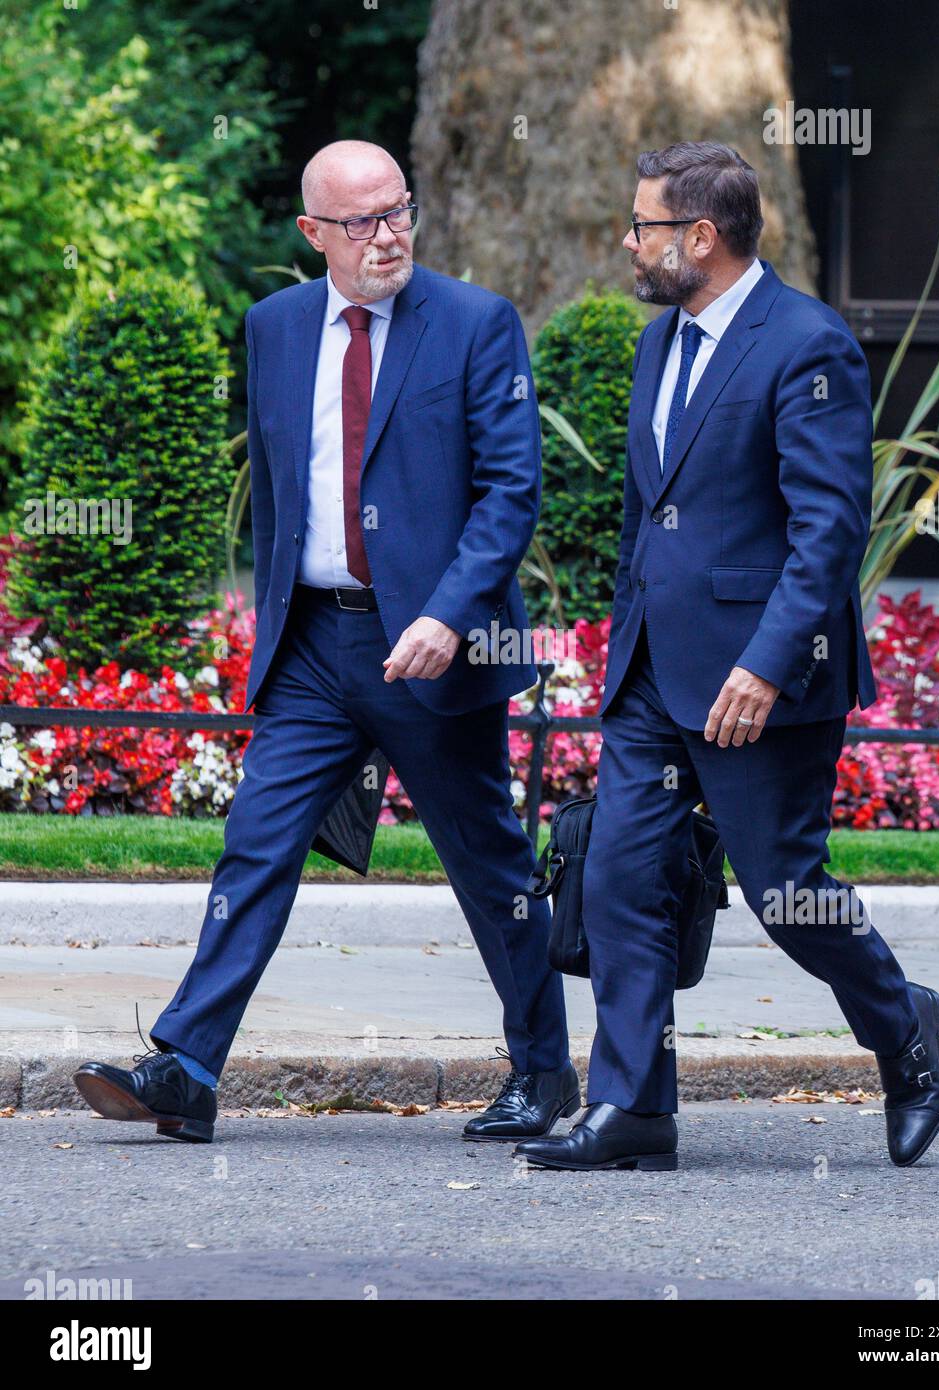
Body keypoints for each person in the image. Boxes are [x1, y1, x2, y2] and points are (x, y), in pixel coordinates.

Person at [74, 140, 578, 1145]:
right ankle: (186, 1064)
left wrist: (447, 613)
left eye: (398, 211)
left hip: (434, 647)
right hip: (313, 646)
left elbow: (510, 490)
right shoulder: (273, 327)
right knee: (254, 845)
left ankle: (544, 1075)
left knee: (487, 866)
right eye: (362, 221)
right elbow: (280, 484)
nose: (387, 234)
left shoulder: (476, 323)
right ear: (314, 234)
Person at [515, 140, 939, 1174]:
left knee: (784, 891)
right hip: (652, 676)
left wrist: (763, 663)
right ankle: (632, 1107)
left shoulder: (806, 345)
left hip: (763, 679)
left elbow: (827, 531)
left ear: (698, 238)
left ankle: (903, 1031)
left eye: (643, 226)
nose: (629, 242)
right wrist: (619, 641)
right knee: (619, 880)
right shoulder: (658, 342)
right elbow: (645, 515)